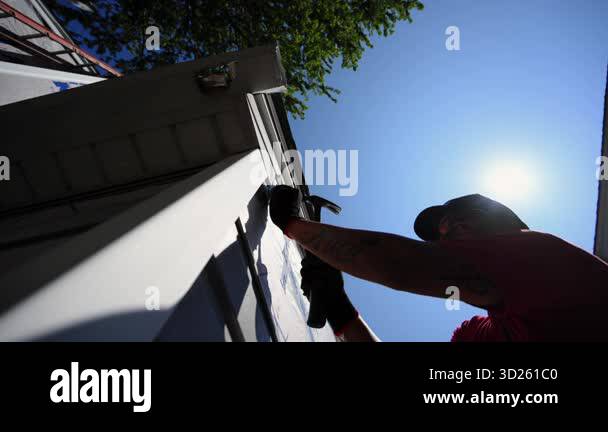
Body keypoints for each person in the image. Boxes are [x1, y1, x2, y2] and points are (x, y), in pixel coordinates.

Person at [269, 186, 608, 342]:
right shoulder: (477, 334)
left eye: (453, 224)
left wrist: (294, 226)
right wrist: (341, 310)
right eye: (441, 236)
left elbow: (402, 264)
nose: (445, 239)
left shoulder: (543, 254)